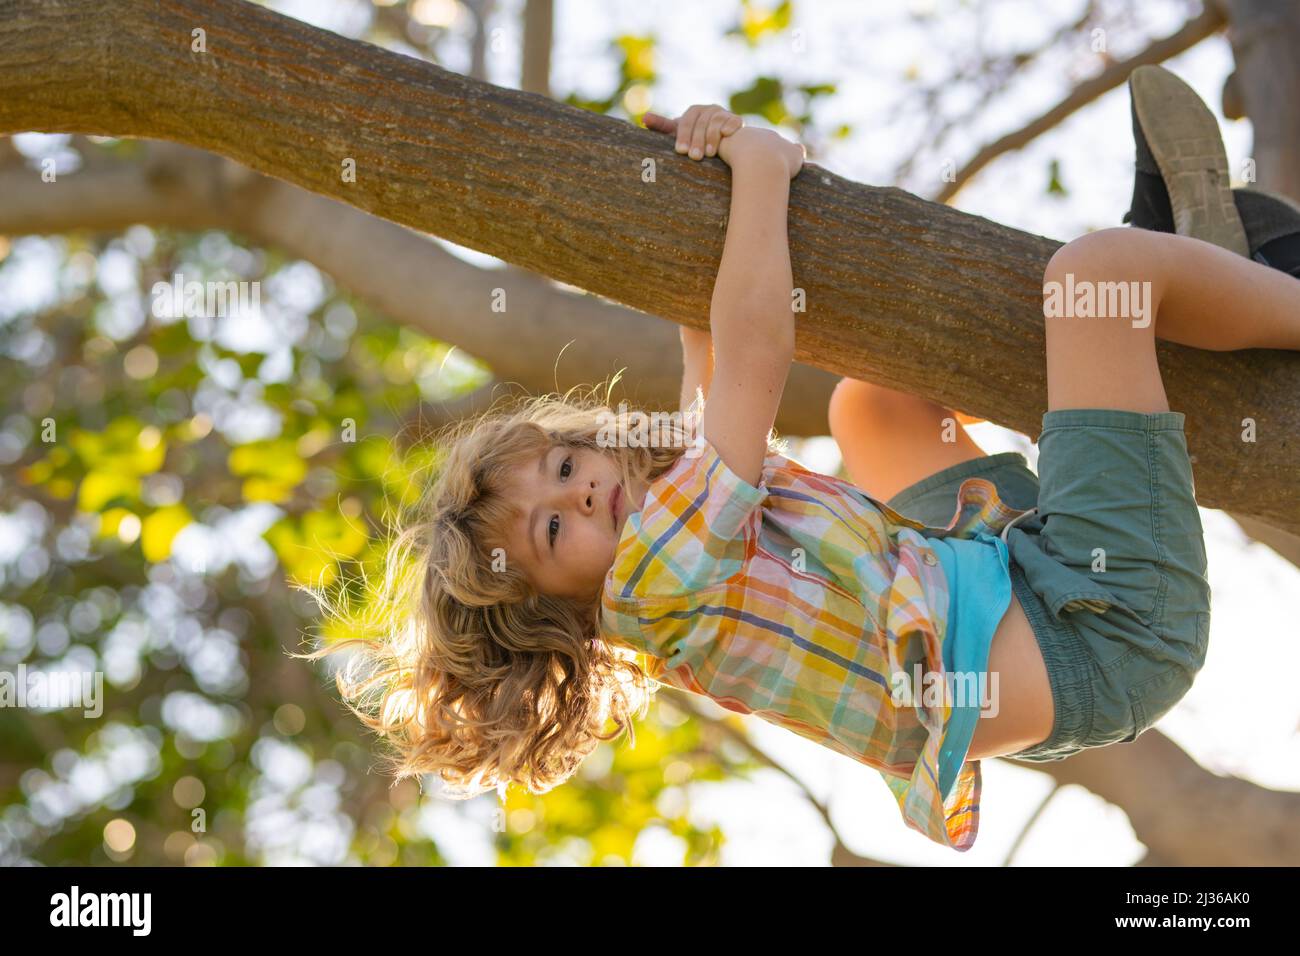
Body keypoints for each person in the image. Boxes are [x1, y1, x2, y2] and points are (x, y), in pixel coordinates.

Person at [314, 72, 1300, 851]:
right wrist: (761, 168)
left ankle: (1180, 308)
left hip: (1017, 590)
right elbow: (752, 349)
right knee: (1094, 276)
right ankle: (1199, 290)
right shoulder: (659, 573)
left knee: (867, 403)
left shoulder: (672, 574)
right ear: (557, 613)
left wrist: (697, 191)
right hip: (1108, 625)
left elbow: (709, 367)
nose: (583, 487)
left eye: (567, 461)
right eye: (555, 524)